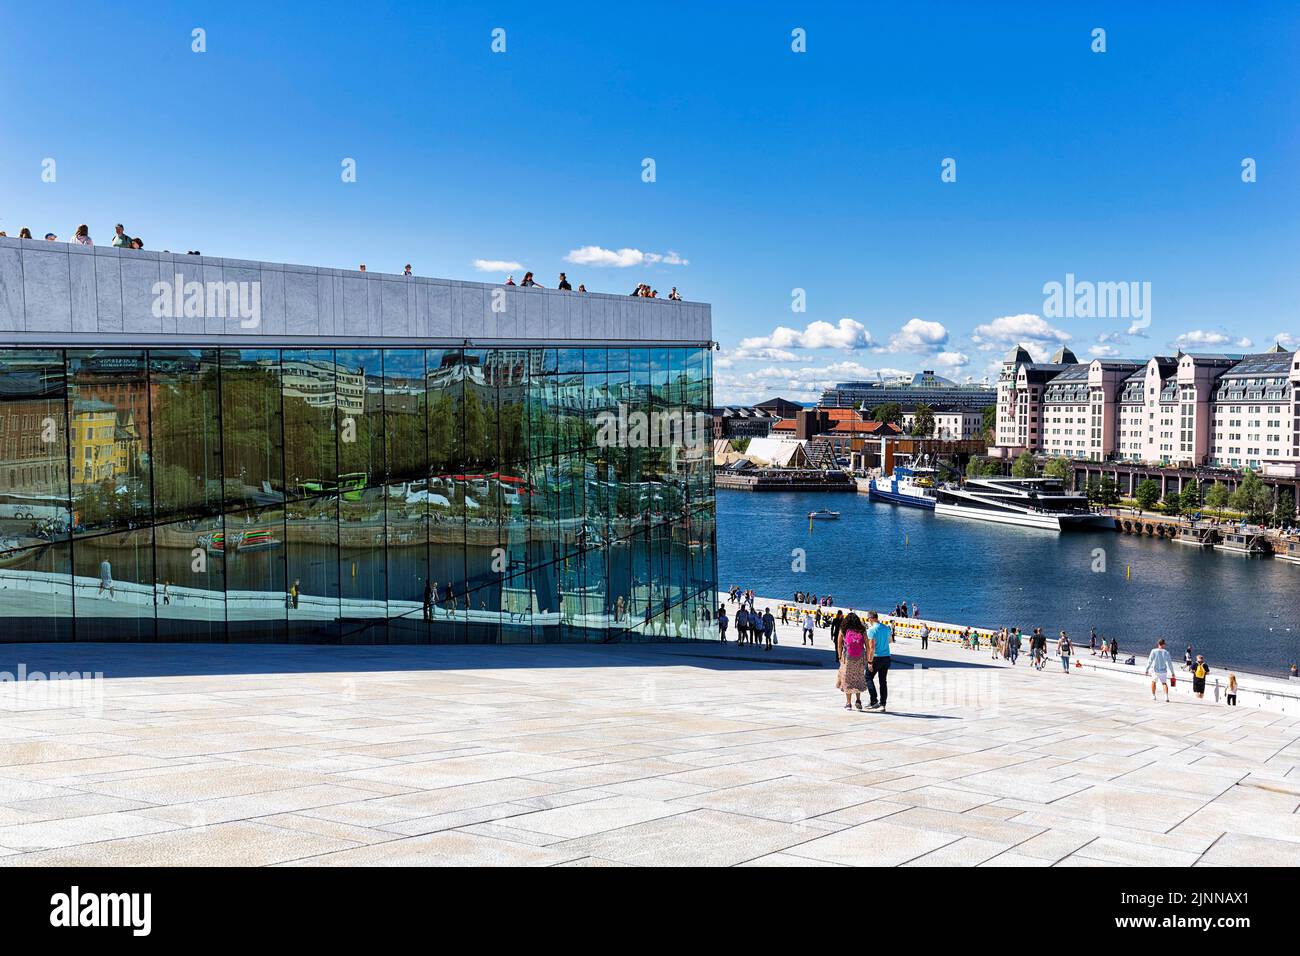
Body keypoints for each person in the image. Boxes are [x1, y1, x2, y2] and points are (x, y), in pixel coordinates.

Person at [836, 612, 869, 710]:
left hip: (848, 658)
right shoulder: (862, 629)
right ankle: (858, 700)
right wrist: (867, 657)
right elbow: (867, 644)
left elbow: (839, 643)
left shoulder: (844, 629)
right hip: (860, 658)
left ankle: (848, 703)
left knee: (847, 679)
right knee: (858, 678)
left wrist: (839, 656)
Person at [864, 611, 892, 712]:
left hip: (876, 657)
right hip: (886, 657)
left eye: (868, 619)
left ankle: (874, 700)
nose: (868, 621)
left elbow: (871, 648)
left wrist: (870, 662)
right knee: (883, 681)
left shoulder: (871, 630)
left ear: (871, 618)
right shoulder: (886, 628)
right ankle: (883, 704)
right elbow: (890, 641)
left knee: (868, 677)